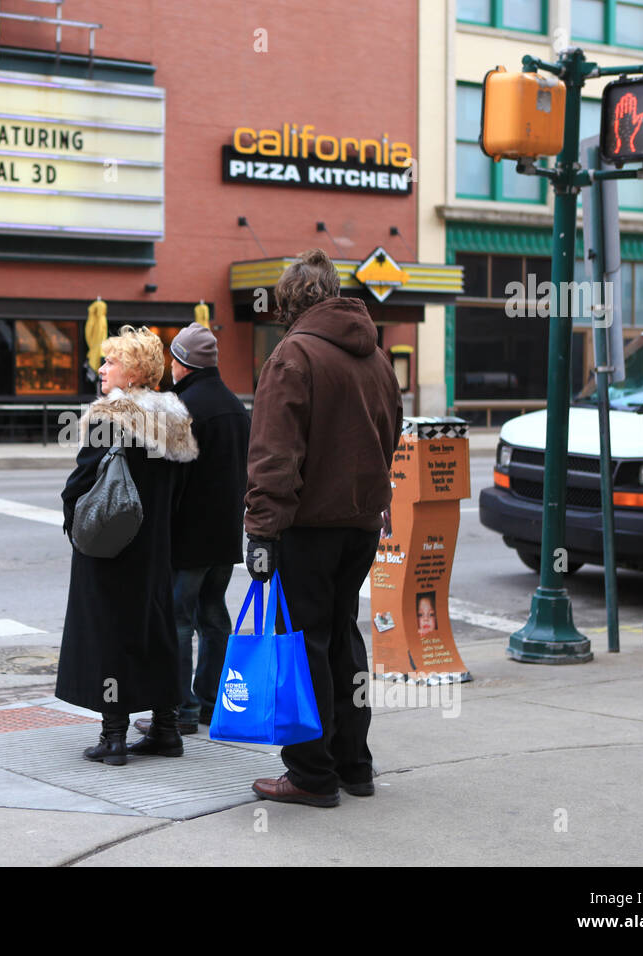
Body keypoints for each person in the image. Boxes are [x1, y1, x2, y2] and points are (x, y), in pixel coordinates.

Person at [245, 248, 403, 808]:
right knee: (342, 637)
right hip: (360, 523)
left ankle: (312, 774)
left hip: (307, 526)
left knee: (303, 646)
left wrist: (261, 530)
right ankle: (353, 765)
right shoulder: (377, 357)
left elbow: (274, 454)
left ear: (289, 302)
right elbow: (390, 438)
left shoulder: (293, 356)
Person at [57, 325, 199, 765]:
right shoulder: (174, 419)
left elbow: (81, 483)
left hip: (109, 546)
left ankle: (114, 736)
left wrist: (70, 519)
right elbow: (180, 493)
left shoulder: (108, 417)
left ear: (133, 371)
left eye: (111, 361)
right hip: (154, 547)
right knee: (156, 631)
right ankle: (165, 728)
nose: (101, 369)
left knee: (109, 633)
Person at [131, 322, 249, 741]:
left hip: (187, 537)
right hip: (225, 535)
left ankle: (181, 708)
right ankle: (210, 699)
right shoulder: (235, 406)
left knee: (179, 620)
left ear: (181, 364)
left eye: (173, 360)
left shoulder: (181, 406)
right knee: (213, 615)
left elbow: (171, 479)